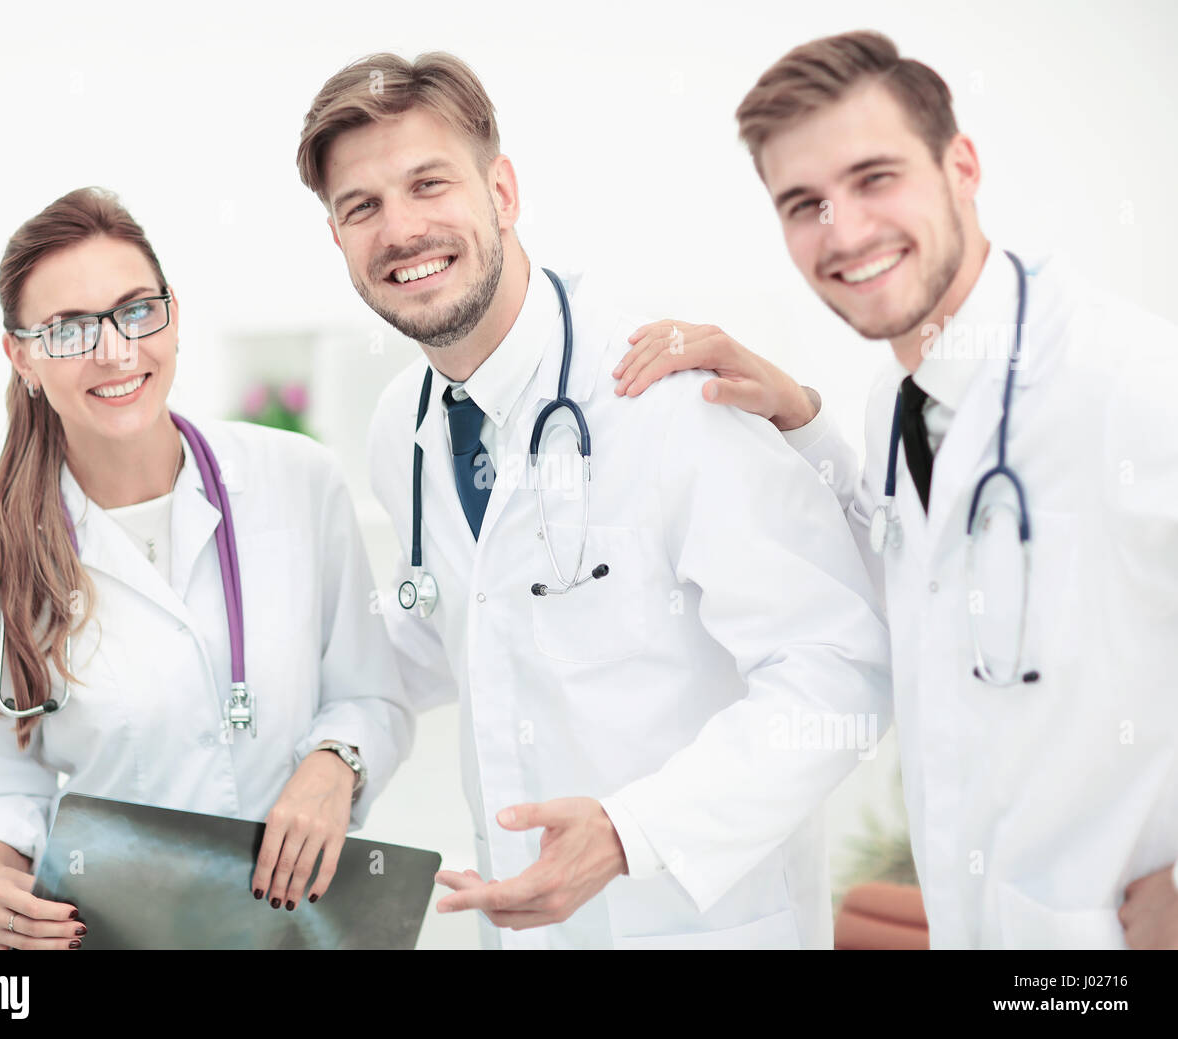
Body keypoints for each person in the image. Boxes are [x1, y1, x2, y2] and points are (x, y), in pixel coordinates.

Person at [295, 51, 892, 949]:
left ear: (503, 190)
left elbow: (840, 669)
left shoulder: (663, 386)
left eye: (429, 183)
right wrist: (329, 750)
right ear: (338, 239)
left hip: (704, 927)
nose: (402, 229)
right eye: (362, 207)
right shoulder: (399, 427)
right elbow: (446, 634)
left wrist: (630, 833)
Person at [613, 30, 1178, 949]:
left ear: (962, 164)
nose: (845, 230)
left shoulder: (1129, 380)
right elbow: (916, 572)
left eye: (875, 178)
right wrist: (799, 416)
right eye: (806, 204)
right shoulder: (897, 404)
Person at [0, 187, 413, 950]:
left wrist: (334, 762)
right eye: (68, 330)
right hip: (119, 933)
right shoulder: (6, 556)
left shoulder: (299, 481)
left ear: (173, 315)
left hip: (299, 927)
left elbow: (373, 695)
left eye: (135, 310)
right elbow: (7, 780)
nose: (116, 351)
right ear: (20, 357)